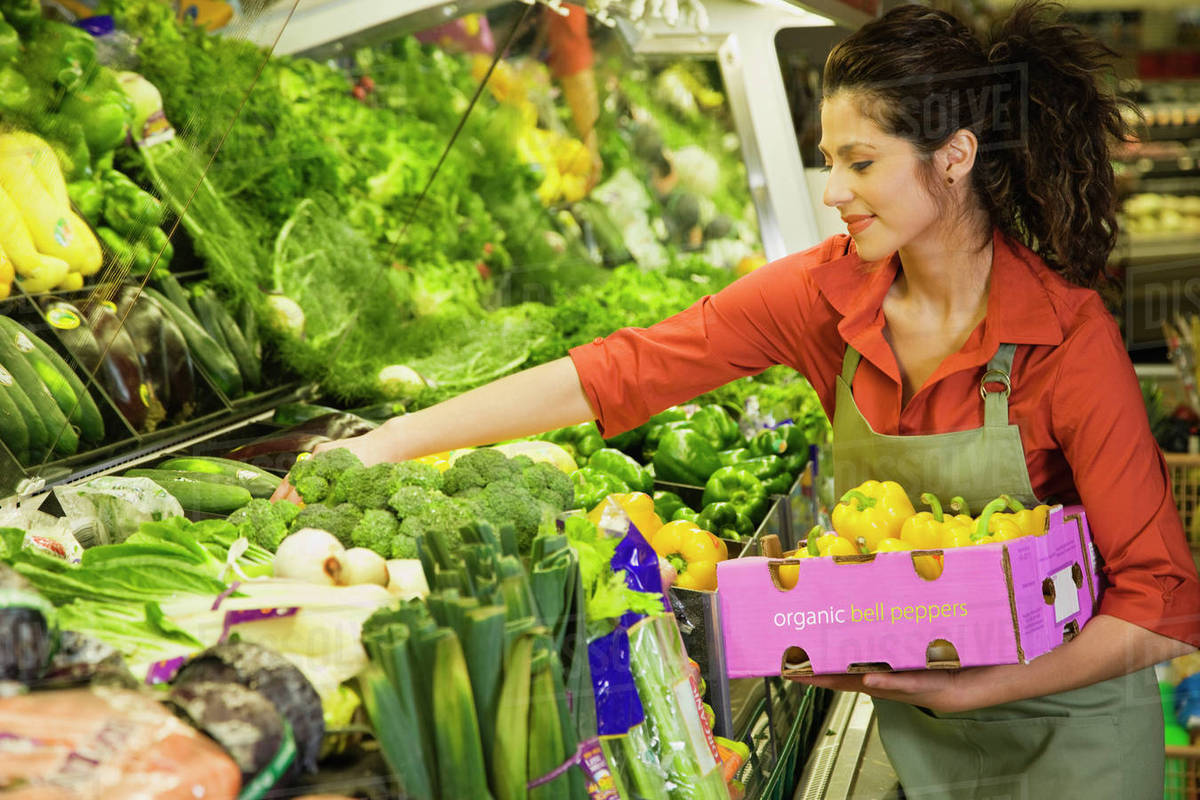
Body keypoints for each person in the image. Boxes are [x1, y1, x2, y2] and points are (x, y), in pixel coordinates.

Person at [274, 3, 1199, 795]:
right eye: (826, 158)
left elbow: (1161, 609)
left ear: (954, 158)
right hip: (920, 737)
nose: (832, 191)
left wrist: (981, 686)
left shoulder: (1066, 338)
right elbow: (621, 369)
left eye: (862, 163)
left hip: (1070, 737)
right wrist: (387, 440)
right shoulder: (827, 296)